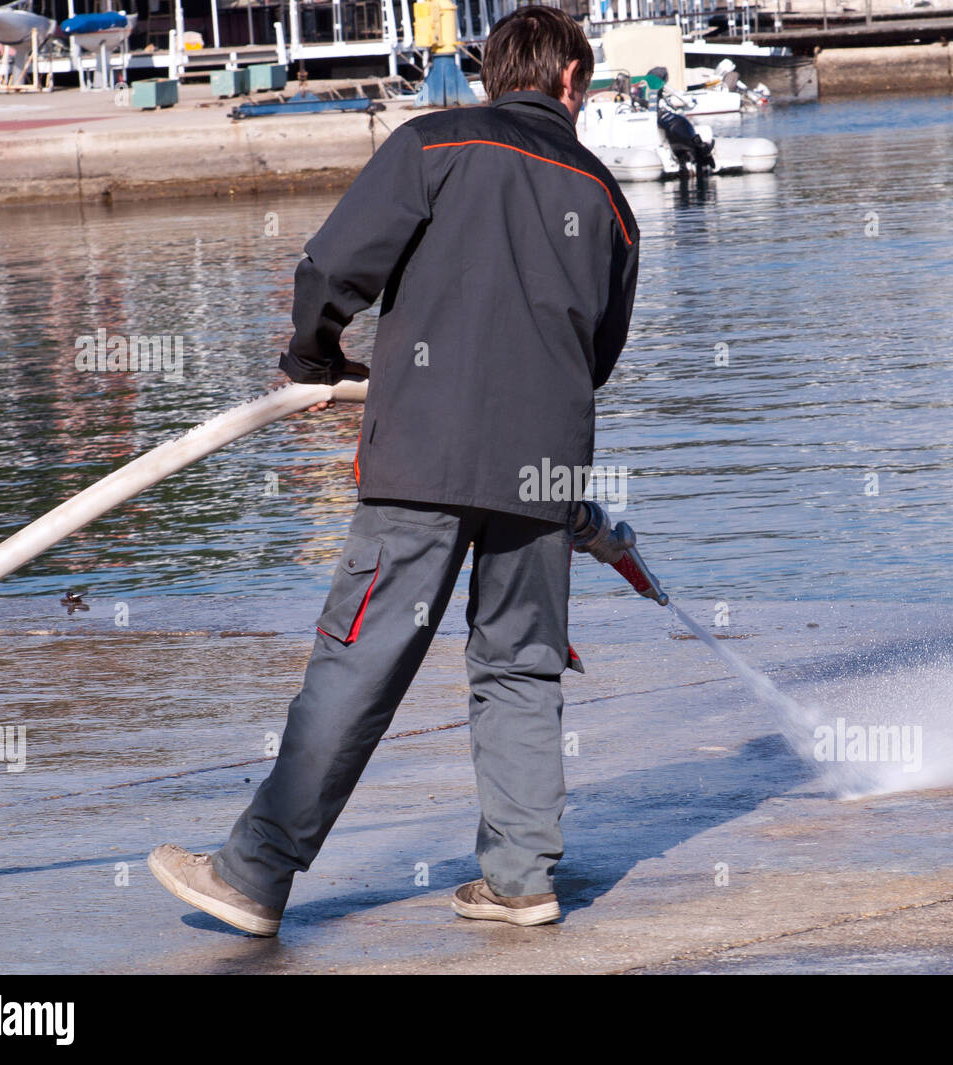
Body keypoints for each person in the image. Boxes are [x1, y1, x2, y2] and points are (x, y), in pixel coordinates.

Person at [148, 5, 639, 933]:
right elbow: (595, 358)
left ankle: (253, 875)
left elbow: (334, 265)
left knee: (359, 662)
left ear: (496, 74)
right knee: (522, 668)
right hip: (542, 477)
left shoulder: (431, 145)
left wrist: (312, 359)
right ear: (571, 82)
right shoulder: (610, 201)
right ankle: (522, 877)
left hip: (424, 456)